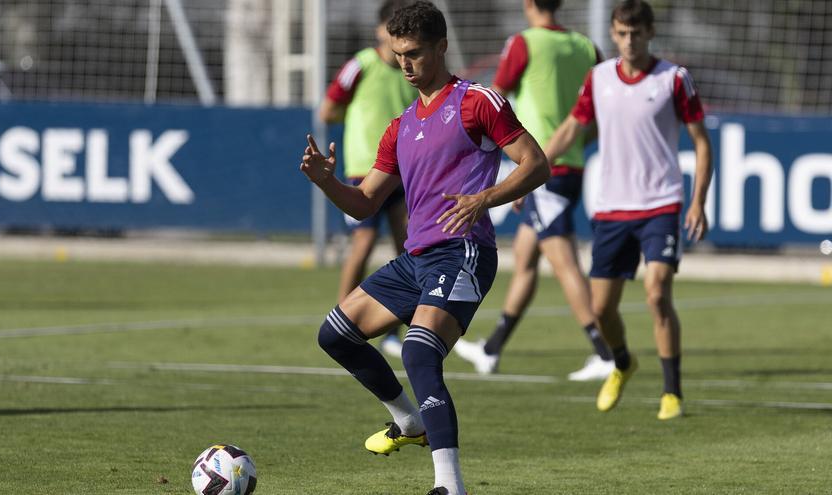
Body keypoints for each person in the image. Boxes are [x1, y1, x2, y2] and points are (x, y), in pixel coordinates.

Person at [300, 2, 550, 492]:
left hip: (463, 252)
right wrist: (327, 182)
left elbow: (535, 163)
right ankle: (408, 420)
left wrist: (485, 198)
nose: (405, 64)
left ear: (441, 46)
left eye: (414, 53)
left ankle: (449, 485)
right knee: (335, 336)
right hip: (415, 259)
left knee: (418, 352)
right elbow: (364, 204)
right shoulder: (400, 126)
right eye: (398, 55)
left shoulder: (478, 102)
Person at [542, 0, 712, 420]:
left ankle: (672, 392)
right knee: (601, 310)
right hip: (613, 208)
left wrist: (698, 201)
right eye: (621, 33)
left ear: (650, 32)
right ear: (613, 34)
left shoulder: (674, 78)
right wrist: (534, 170)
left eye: (636, 32)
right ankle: (622, 362)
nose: (629, 40)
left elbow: (701, 142)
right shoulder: (599, 78)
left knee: (657, 292)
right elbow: (571, 127)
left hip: (661, 204)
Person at [453, 0, 614, 381]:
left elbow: (491, 102)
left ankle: (605, 352)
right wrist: (576, 145)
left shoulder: (523, 43)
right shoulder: (586, 46)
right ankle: (492, 349)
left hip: (539, 167)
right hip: (569, 164)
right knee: (525, 259)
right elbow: (601, 111)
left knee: (564, 262)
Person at [319, 0, 418, 359]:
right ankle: (341, 322)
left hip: (402, 171)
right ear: (380, 31)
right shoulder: (360, 65)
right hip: (365, 170)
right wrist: (358, 122)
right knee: (362, 243)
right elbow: (328, 110)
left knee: (408, 249)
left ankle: (397, 330)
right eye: (393, 29)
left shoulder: (413, 71)